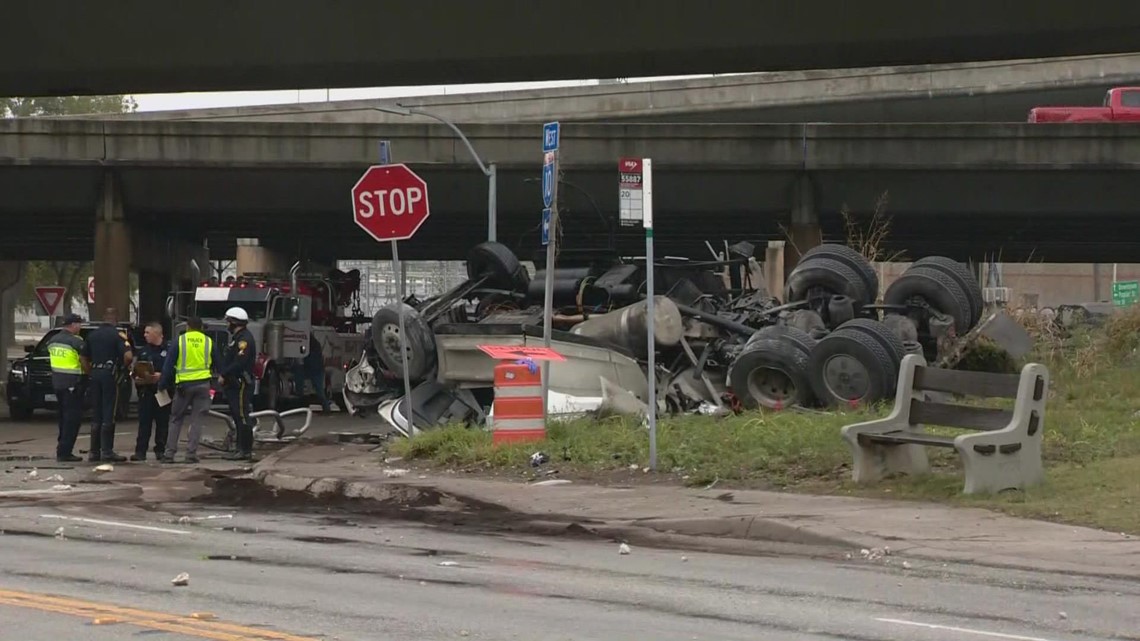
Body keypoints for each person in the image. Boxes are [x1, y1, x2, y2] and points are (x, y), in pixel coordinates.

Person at [159, 317, 217, 464]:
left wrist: (163, 384)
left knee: (176, 419)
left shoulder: (180, 340)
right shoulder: (208, 342)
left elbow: (168, 365)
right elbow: (218, 363)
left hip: (184, 387)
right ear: (201, 327)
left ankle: (169, 454)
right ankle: (190, 454)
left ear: (188, 326)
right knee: (197, 420)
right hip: (203, 385)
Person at [85, 307, 132, 463]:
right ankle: (107, 451)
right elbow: (128, 356)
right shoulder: (118, 335)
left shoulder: (92, 335)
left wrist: (90, 372)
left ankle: (93, 452)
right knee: (109, 411)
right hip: (109, 375)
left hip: (95, 375)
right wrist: (124, 368)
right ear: (115, 319)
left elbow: (82, 358)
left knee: (96, 411)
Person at [48, 313, 90, 462]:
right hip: (73, 383)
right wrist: (89, 372)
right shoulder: (76, 341)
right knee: (72, 419)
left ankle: (62, 448)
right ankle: (65, 452)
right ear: (73, 325)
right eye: (79, 324)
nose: (80, 327)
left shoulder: (53, 340)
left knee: (62, 418)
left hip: (58, 383)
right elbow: (84, 359)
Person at [218, 307, 256, 461]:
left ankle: (245, 450)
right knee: (237, 416)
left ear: (234, 322)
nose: (227, 324)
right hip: (234, 383)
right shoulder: (238, 337)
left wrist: (224, 374)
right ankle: (240, 448)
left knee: (242, 416)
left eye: (228, 321)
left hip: (240, 383)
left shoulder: (244, 340)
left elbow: (239, 362)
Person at [131, 322, 171, 461]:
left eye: (148, 332)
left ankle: (160, 450)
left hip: (162, 391)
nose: (145, 335)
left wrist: (162, 376)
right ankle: (140, 451)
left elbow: (175, 369)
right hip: (146, 391)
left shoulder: (169, 350)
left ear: (157, 333)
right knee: (144, 422)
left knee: (162, 422)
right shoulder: (143, 351)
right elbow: (135, 370)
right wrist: (137, 378)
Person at [292, 333, 330, 413]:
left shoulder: (311, 346)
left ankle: (325, 407)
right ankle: (326, 407)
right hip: (316, 369)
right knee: (319, 390)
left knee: (318, 390)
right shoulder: (315, 345)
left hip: (314, 369)